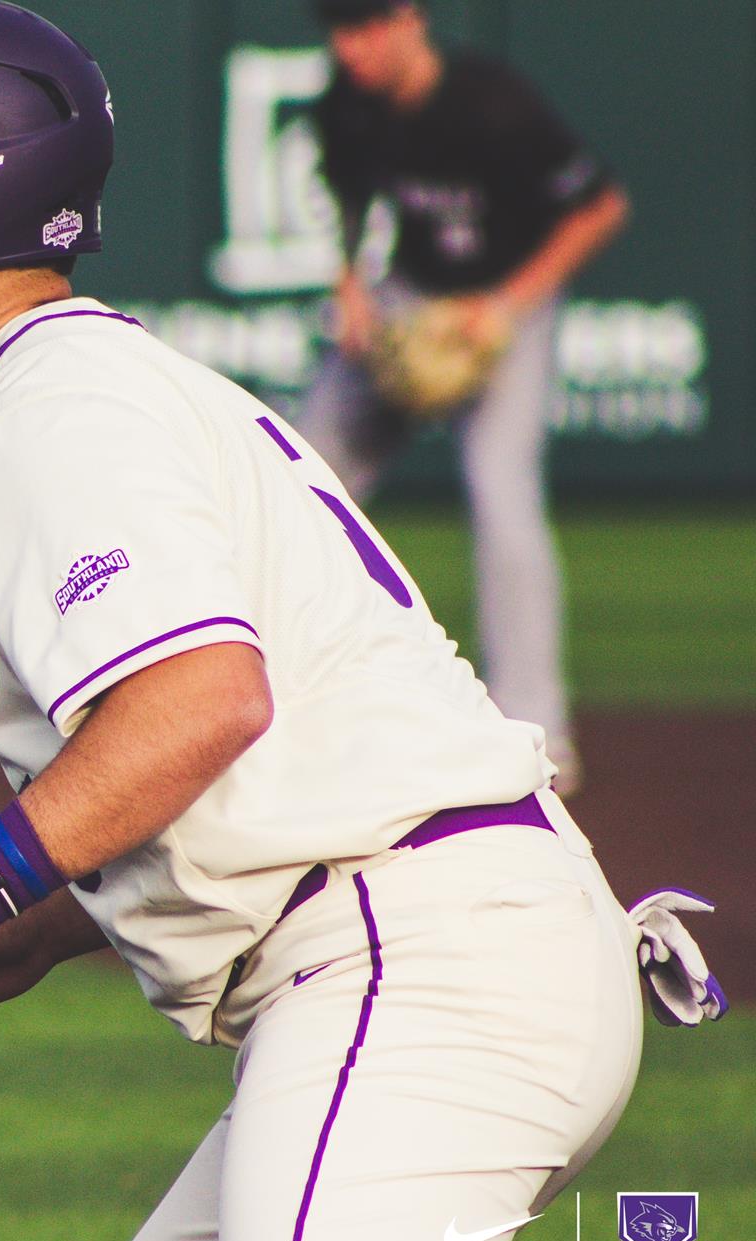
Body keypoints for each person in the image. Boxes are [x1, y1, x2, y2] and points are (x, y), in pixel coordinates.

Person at [0, 2, 716, 1241]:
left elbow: (201, 702)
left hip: (418, 966)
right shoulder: (78, 390)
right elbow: (229, 765)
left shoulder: (53, 407)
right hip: (445, 948)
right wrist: (34, 931)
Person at [299, 0, 630, 795]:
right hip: (414, 299)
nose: (352, 47)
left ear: (410, 19)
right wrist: (350, 284)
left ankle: (540, 729)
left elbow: (599, 207)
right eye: (340, 30)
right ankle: (291, 697)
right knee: (307, 472)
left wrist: (507, 306)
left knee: (502, 488)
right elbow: (346, 196)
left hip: (504, 304)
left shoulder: (492, 103)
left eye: (367, 26)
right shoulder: (346, 103)